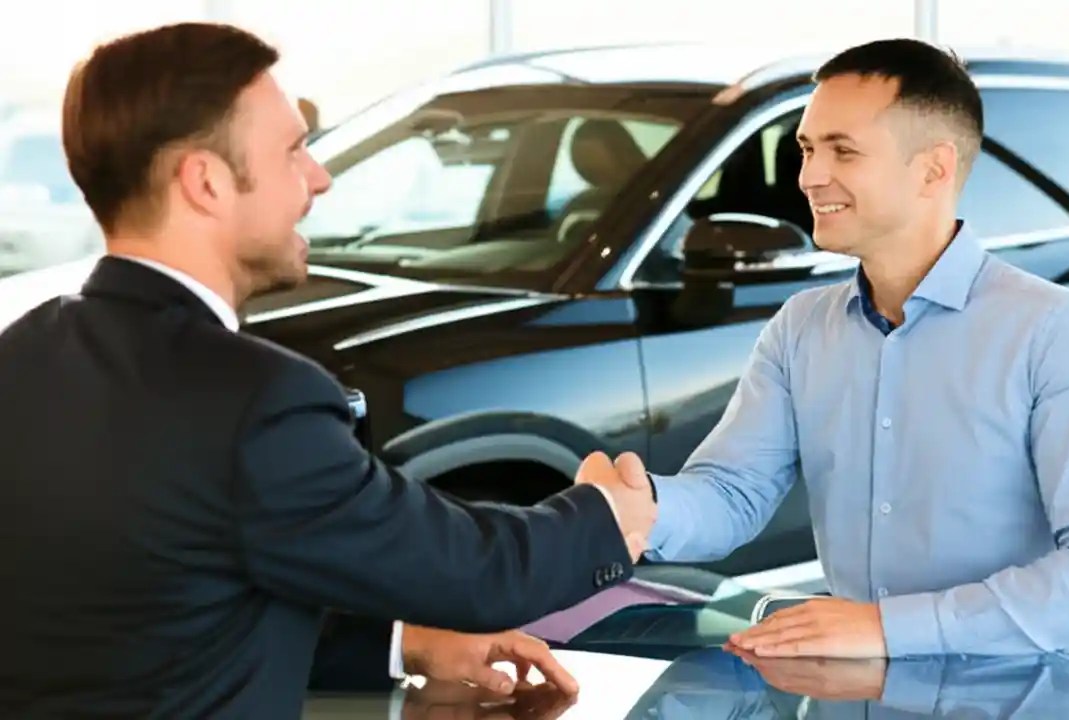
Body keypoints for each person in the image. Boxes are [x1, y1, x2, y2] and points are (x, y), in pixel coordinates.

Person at [0, 22, 655, 718]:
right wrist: (606, 516)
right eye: (293, 150)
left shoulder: (22, 356)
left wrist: (404, 645)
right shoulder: (258, 400)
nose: (319, 177)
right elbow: (471, 569)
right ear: (205, 182)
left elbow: (156, 617)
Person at [622, 39, 1069, 659]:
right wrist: (642, 509)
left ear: (934, 168)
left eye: (842, 151)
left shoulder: (1055, 329)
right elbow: (733, 494)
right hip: (859, 687)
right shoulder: (801, 326)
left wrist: (887, 628)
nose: (808, 177)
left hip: (1023, 691)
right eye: (806, 149)